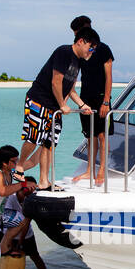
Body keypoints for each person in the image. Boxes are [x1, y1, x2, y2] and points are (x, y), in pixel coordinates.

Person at [17, 27, 101, 189]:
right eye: (91, 48)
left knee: (49, 144)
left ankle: (43, 181)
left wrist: (82, 105)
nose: (91, 52)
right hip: (39, 100)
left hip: (54, 107)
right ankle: (19, 166)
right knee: (34, 137)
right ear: (81, 41)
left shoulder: (79, 62)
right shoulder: (64, 52)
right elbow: (56, 81)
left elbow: (70, 88)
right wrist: (63, 104)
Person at [67, 15, 114, 185]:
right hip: (85, 96)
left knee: (102, 135)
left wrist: (106, 101)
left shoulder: (104, 49)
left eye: (77, 32)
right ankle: (89, 171)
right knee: (89, 136)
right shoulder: (80, 51)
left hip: (102, 97)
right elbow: (73, 75)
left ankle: (101, 170)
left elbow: (109, 77)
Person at [0, 180, 48, 269]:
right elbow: (6, 219)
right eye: (24, 193)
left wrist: (20, 243)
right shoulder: (10, 199)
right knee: (7, 258)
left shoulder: (33, 199)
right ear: (18, 190)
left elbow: (27, 223)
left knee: (35, 256)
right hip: (8, 234)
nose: (26, 197)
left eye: (29, 194)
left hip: (26, 234)